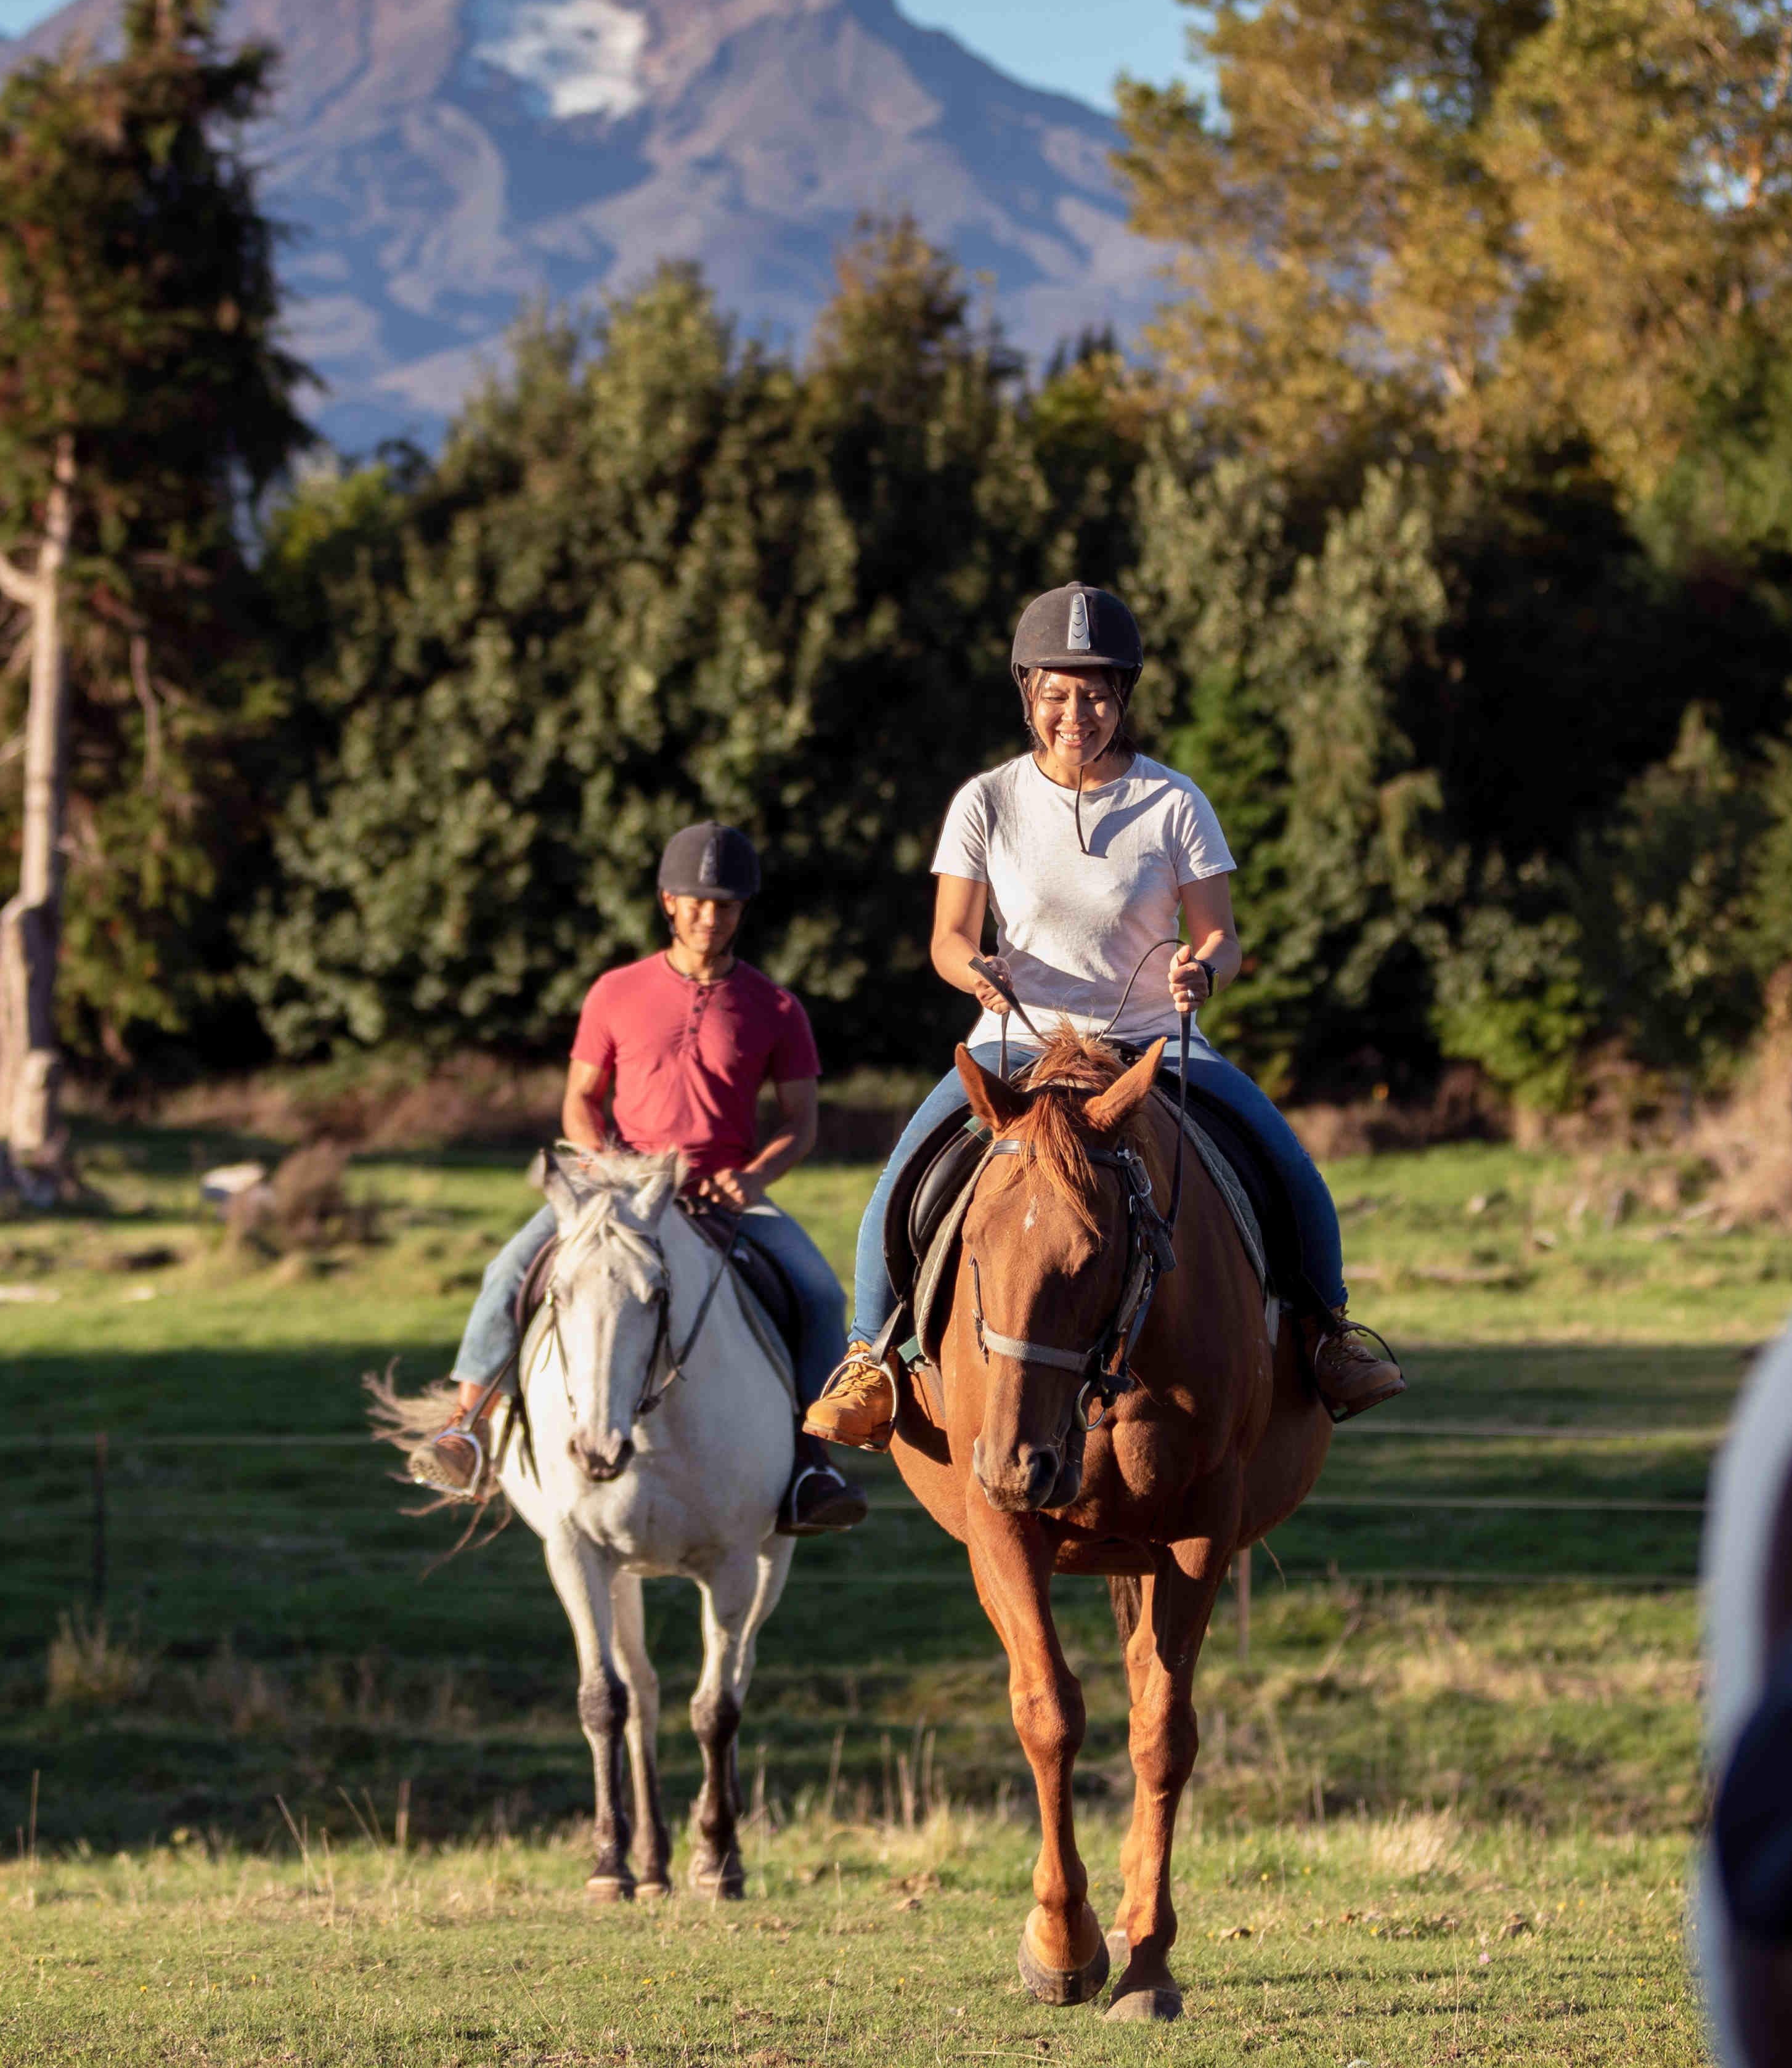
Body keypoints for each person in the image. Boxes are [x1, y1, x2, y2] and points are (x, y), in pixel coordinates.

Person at [800, 584, 1407, 1443]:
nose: (1075, 715)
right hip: (1019, 1041)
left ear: (1123, 698)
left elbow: (1223, 937)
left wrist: (1203, 969)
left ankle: (1330, 1333)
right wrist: (974, 970)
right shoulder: (987, 801)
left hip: (1154, 1043)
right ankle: (869, 1358)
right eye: (1056, 694)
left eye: (1095, 695)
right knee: (902, 1180)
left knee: (1289, 1165)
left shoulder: (1175, 802)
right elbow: (947, 938)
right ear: (1029, 695)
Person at [411, 823, 868, 1537]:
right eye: (696, 902)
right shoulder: (614, 992)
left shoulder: (778, 1008)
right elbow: (580, 1099)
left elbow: (799, 1123)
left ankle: (814, 1465)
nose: (710, 916)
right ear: (668, 901)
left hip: (719, 1193)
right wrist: (599, 1161)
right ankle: (465, 1430)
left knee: (820, 1293)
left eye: (725, 904)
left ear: (743, 909)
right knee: (506, 1272)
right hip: (616, 1191)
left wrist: (754, 1179)